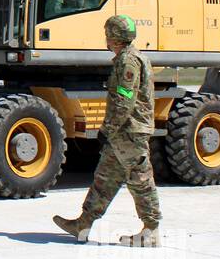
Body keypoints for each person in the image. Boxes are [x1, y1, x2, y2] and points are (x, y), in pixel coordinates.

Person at [53, 14, 160, 246]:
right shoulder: (135, 57)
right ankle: (83, 224)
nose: (106, 39)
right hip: (125, 132)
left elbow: (125, 99)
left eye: (108, 35)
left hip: (129, 132)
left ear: (114, 37)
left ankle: (151, 230)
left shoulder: (127, 61)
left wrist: (107, 128)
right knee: (104, 179)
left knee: (140, 181)